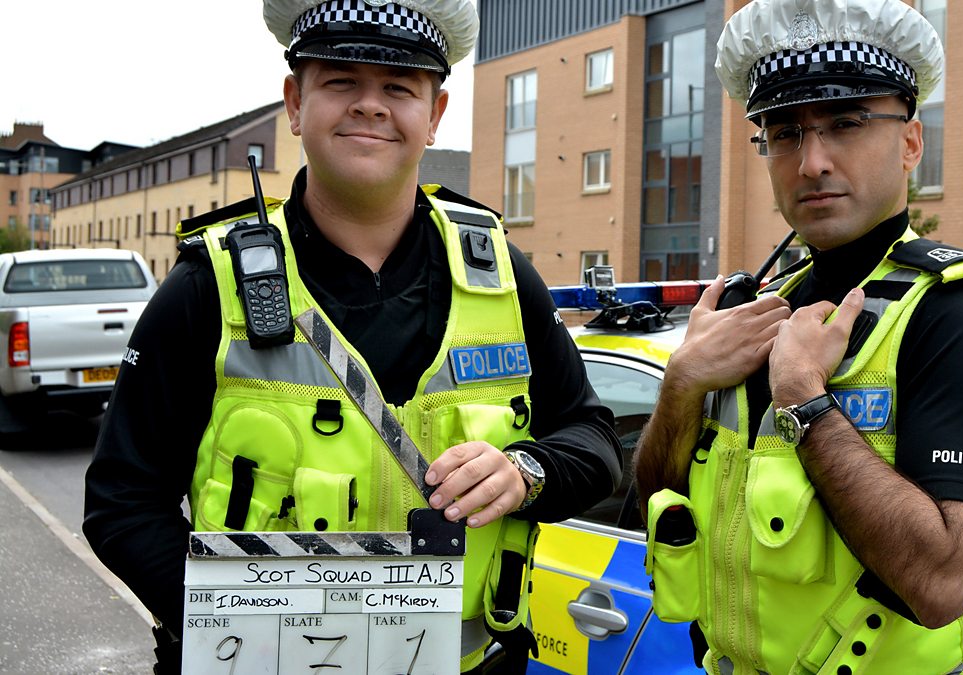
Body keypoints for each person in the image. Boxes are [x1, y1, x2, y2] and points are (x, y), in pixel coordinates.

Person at [83, 1, 622, 673]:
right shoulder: (206, 287)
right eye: (341, 80)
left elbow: (593, 439)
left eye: (398, 87)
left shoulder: (504, 277)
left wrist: (524, 470)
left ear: (436, 115)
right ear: (294, 103)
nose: (370, 104)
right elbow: (120, 503)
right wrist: (239, 624)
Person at [634, 0, 963, 673]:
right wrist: (681, 384)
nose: (811, 161)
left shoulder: (953, 318)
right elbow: (646, 502)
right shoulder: (756, 311)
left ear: (911, 142)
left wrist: (804, 401)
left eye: (844, 123)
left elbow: (941, 584)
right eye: (784, 132)